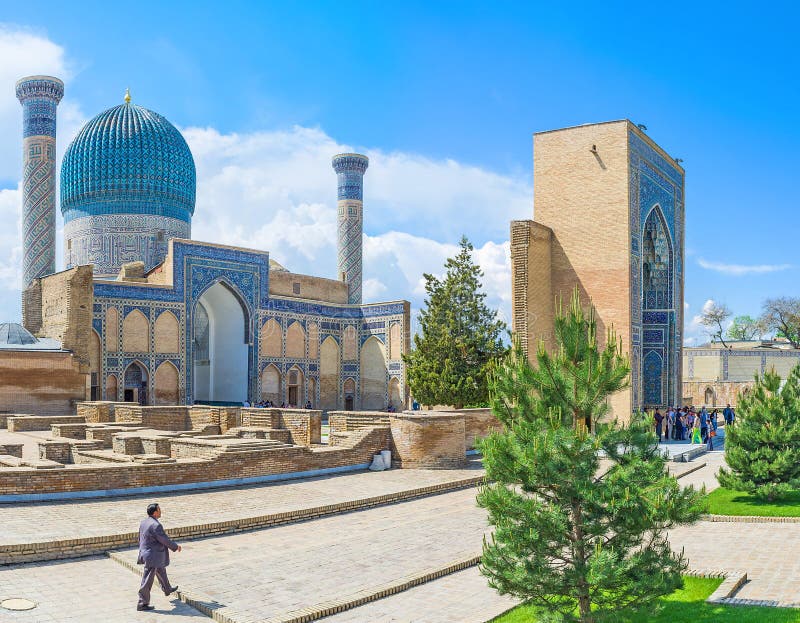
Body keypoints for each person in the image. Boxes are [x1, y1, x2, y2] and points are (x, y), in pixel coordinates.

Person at [137, 503, 181, 612]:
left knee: (161, 570)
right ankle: (142, 603)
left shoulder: (144, 522)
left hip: (149, 553)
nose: (161, 511)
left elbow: (140, 538)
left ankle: (167, 589)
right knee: (147, 580)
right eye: (159, 509)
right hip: (153, 556)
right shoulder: (156, 525)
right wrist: (176, 547)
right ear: (155, 512)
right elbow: (164, 539)